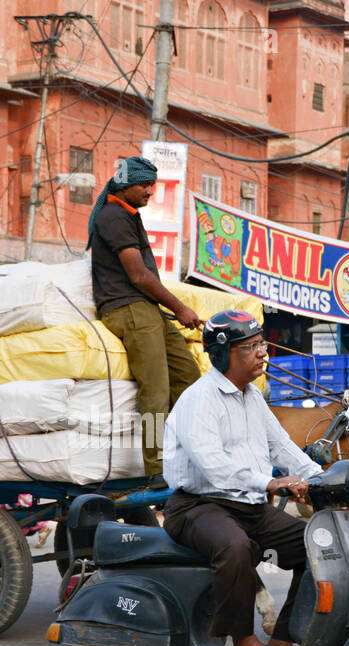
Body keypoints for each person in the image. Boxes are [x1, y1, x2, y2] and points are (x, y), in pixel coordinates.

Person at [162, 310, 322, 646]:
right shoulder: (199, 400)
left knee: (317, 545)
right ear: (224, 354)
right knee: (235, 547)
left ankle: (282, 638)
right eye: (250, 347)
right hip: (198, 507)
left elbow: (283, 448)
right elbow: (213, 466)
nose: (262, 353)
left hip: (247, 505)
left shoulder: (253, 398)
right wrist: (273, 483)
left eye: (261, 344)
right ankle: (244, 640)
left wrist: (323, 480)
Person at [88, 155, 202, 483]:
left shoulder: (129, 214)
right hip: (126, 309)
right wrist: (180, 308)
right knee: (155, 392)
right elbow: (138, 276)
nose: (150, 191)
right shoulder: (113, 217)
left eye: (152, 184)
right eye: (144, 184)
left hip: (145, 308)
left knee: (189, 378)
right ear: (126, 185)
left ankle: (191, 452)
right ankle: (158, 469)